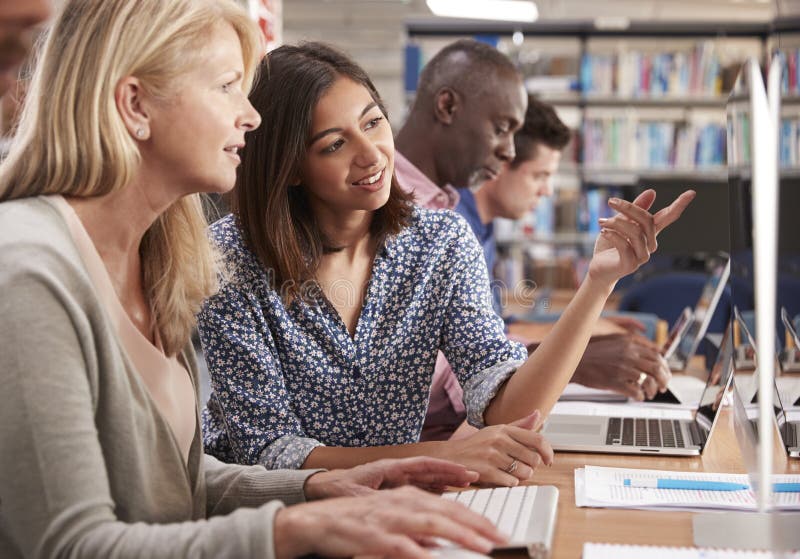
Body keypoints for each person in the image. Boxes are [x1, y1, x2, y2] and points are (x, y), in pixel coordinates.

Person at [0, 2, 506, 558]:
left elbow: (179, 487)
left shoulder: (160, 259)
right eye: (226, 87)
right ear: (136, 105)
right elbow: (69, 545)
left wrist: (318, 489)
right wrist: (294, 529)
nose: (251, 117)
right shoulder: (30, 272)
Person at [198, 41, 694, 486]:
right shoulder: (229, 259)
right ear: (289, 167)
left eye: (373, 123)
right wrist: (441, 456)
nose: (372, 155)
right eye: (335, 144)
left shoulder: (441, 242)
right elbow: (269, 452)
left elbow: (506, 407)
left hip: (393, 509)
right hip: (270, 520)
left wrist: (598, 284)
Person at [392, 41, 673, 442]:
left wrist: (581, 322)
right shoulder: (397, 211)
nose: (507, 152)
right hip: (421, 445)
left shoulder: (444, 211)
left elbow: (475, 353)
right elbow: (450, 380)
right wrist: (572, 356)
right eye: (502, 129)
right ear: (448, 106)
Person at [444, 96, 674, 441]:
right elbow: (471, 368)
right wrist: (579, 352)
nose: (547, 191)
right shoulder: (454, 229)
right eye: (540, 175)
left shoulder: (484, 228)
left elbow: (497, 330)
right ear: (501, 161)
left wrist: (587, 324)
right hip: (454, 427)